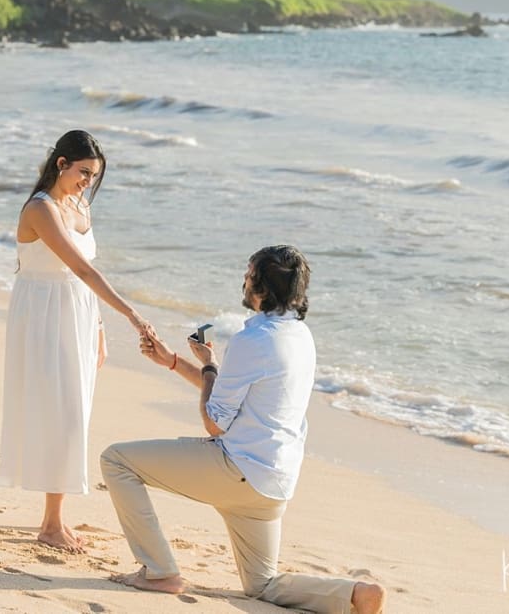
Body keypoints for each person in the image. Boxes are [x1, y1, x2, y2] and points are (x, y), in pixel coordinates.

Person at [101, 245, 386, 614]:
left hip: (235, 471)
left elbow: (215, 422)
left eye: (249, 274)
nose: (244, 279)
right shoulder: (302, 337)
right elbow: (238, 402)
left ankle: (158, 572)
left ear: (263, 289)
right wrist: (173, 361)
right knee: (261, 585)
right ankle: (354, 595)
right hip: (273, 483)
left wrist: (209, 366)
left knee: (117, 460)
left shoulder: (252, 340)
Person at [0, 130, 150, 553]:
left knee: (76, 410)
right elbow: (82, 270)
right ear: (61, 164)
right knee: (62, 413)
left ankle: (53, 514)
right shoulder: (40, 209)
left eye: (94, 176)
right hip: (45, 313)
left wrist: (99, 328)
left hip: (78, 313)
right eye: (83, 172)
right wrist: (132, 315)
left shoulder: (79, 205)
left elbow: (84, 279)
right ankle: (51, 523)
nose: (87, 182)